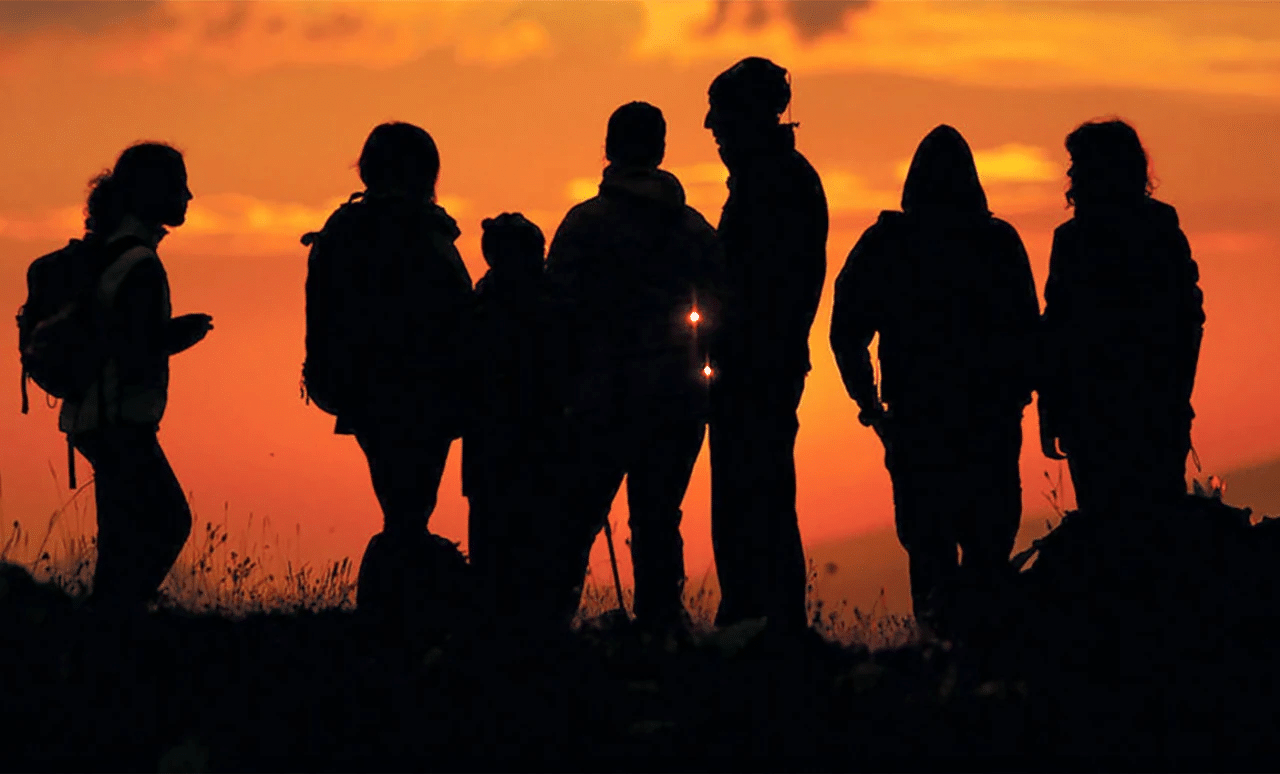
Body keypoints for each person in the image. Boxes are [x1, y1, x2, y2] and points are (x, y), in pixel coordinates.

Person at [830, 125, 1040, 636]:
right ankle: (982, 666)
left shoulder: (887, 244)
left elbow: (845, 332)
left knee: (931, 555)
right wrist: (1020, 396)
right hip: (984, 425)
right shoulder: (997, 241)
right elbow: (1030, 332)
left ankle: (939, 661)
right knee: (985, 552)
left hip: (921, 424)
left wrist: (871, 406)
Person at [545, 101, 722, 635]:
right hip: (677, 400)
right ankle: (662, 627)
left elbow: (556, 313)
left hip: (597, 398)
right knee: (659, 518)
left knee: (575, 516)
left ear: (609, 148)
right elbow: (720, 309)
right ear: (662, 148)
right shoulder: (693, 227)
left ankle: (550, 624)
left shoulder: (583, 225)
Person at [301, 122, 473, 616]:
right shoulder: (419, 229)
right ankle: (399, 610)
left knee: (402, 504)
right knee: (410, 507)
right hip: (422, 390)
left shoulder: (345, 229)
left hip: (365, 390)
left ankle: (392, 608)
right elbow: (448, 308)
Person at [50, 142, 211, 611]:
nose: (189, 197)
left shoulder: (108, 252)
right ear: (152, 191)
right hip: (120, 419)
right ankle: (114, 624)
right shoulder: (137, 262)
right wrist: (177, 336)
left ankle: (107, 631)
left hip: (92, 417)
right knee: (168, 522)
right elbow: (134, 346)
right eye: (179, 185)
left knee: (122, 539)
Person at [703, 57, 827, 633]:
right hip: (762, 365)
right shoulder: (778, 177)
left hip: (755, 369)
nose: (710, 128)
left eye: (721, 116)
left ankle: (760, 624)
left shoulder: (772, 184)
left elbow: (762, 289)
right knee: (761, 493)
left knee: (752, 496)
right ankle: (765, 621)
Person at [1039, 119, 1205, 514]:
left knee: (1123, 524)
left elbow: (1057, 329)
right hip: (1117, 411)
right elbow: (1057, 329)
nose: (1070, 173)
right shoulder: (1150, 228)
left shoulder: (1085, 239)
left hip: (1122, 411)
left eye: (1078, 163)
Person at [460, 212, 566, 624]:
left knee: (490, 538)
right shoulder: (553, 307)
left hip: (491, 443)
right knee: (538, 538)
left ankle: (494, 625)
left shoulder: (479, 306)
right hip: (541, 442)